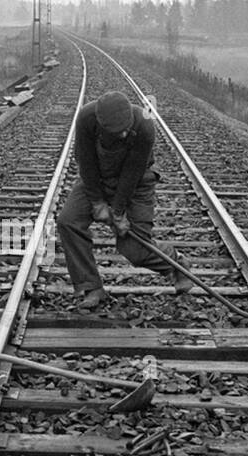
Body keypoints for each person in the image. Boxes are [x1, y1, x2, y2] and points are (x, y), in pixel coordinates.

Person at [56, 90, 190, 310]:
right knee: (68, 221)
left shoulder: (144, 126)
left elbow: (132, 172)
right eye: (117, 132)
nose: (123, 135)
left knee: (134, 249)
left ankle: (176, 264)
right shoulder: (86, 118)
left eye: (126, 130)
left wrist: (118, 213)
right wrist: (98, 203)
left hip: (137, 182)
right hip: (97, 177)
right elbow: (86, 162)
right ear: (101, 123)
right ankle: (91, 287)